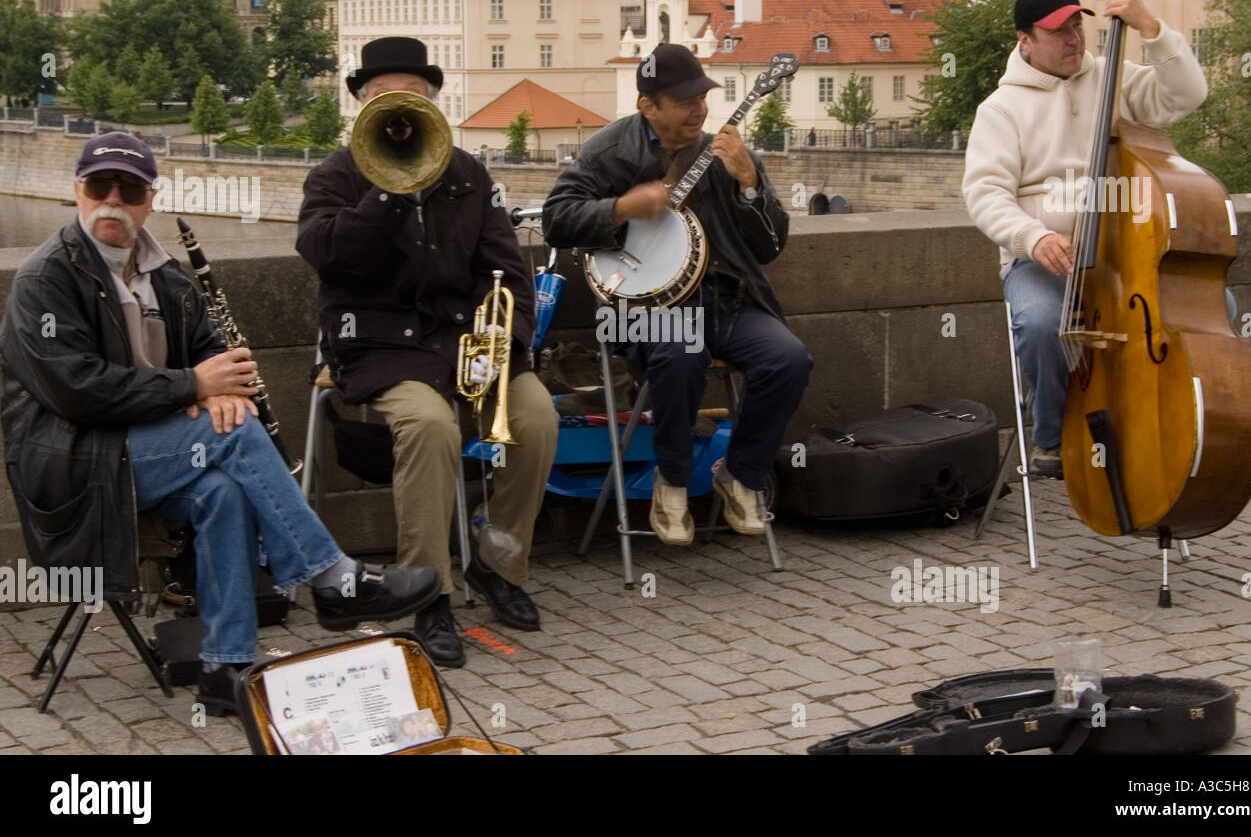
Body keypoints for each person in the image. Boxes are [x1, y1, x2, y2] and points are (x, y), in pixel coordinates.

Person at [0, 132, 438, 715]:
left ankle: (224, 666)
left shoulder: (170, 280)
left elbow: (220, 365)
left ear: (149, 199)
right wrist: (194, 388)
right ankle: (332, 578)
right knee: (227, 432)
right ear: (76, 192)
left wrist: (219, 391)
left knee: (223, 489)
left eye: (128, 188)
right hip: (73, 466)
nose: (112, 199)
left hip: (151, 456)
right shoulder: (44, 279)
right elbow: (75, 390)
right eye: (98, 185)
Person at [297, 37, 558, 668]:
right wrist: (388, 189)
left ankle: (498, 567)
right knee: (430, 425)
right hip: (383, 348)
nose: (401, 108)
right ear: (359, 103)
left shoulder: (468, 176)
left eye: (414, 97)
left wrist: (507, 344)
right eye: (385, 96)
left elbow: (508, 275)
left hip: (469, 345)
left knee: (537, 418)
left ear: (436, 104)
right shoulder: (334, 176)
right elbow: (330, 256)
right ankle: (428, 592)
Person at [543, 43, 812, 544]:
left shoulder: (727, 155)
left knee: (789, 360)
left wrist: (749, 184)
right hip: (642, 311)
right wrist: (621, 207)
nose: (700, 109)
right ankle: (673, 479)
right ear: (649, 106)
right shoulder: (608, 151)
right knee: (683, 353)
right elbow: (557, 219)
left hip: (727, 301)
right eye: (685, 101)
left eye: (703, 97)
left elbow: (771, 246)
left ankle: (742, 475)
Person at [963, 0, 1208, 478]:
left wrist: (1152, 29)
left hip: (1124, 254)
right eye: (1058, 31)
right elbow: (985, 194)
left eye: (1077, 24)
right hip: (1042, 261)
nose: (1074, 38)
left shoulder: (1113, 76)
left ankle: (1181, 427)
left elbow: (1187, 94)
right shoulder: (1000, 109)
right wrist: (1034, 237)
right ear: (1025, 39)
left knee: (1208, 309)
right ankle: (1050, 440)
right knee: (1040, 323)